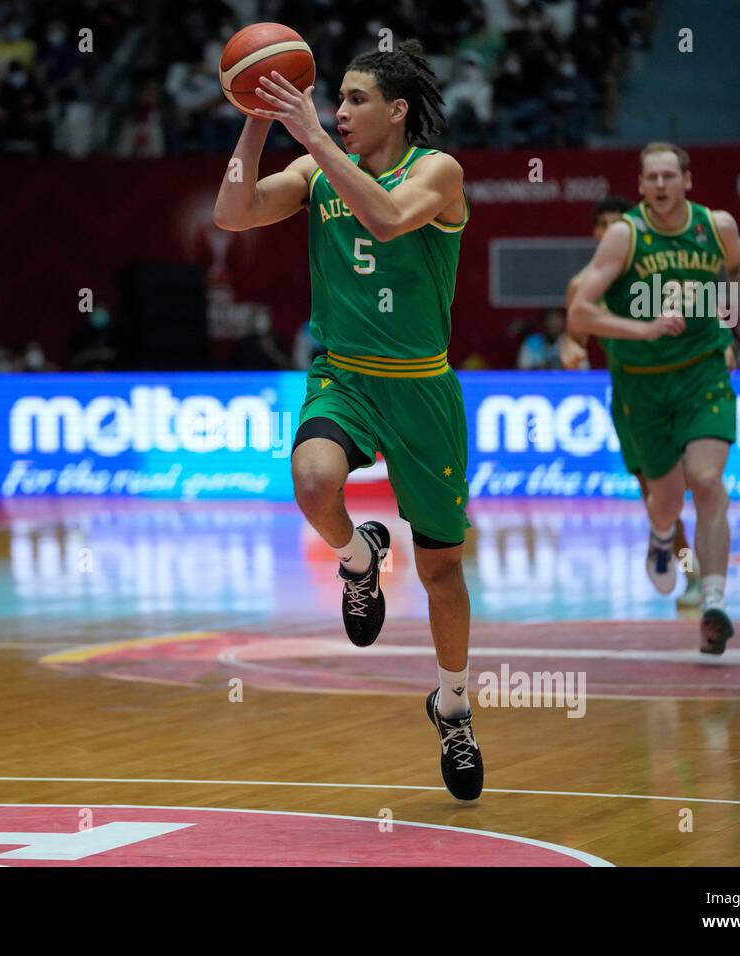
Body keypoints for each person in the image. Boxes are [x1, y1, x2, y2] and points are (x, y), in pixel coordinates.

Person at [214, 40, 484, 802]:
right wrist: (257, 121)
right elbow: (231, 212)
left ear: (396, 111)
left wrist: (314, 139)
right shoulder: (312, 169)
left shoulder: (436, 172)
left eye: (354, 99)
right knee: (311, 479)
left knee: (440, 572)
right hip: (345, 375)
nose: (337, 110)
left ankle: (453, 706)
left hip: (421, 388)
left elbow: (390, 218)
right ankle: (359, 557)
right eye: (334, 99)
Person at [568, 143, 740, 655]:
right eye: (650, 177)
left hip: (703, 372)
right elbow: (579, 315)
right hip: (641, 385)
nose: (659, 185)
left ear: (687, 181)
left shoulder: (716, 226)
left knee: (706, 480)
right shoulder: (624, 236)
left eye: (668, 176)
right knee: (667, 500)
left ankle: (714, 599)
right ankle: (661, 537)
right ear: (640, 185)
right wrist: (644, 328)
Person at [560, 196, 702, 608]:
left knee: (703, 480)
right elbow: (575, 336)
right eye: (601, 225)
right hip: (632, 400)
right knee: (658, 495)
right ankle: (690, 570)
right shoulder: (581, 286)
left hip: (682, 387)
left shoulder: (655, 272)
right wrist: (571, 350)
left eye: (616, 223)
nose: (609, 231)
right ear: (595, 233)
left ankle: (707, 577)